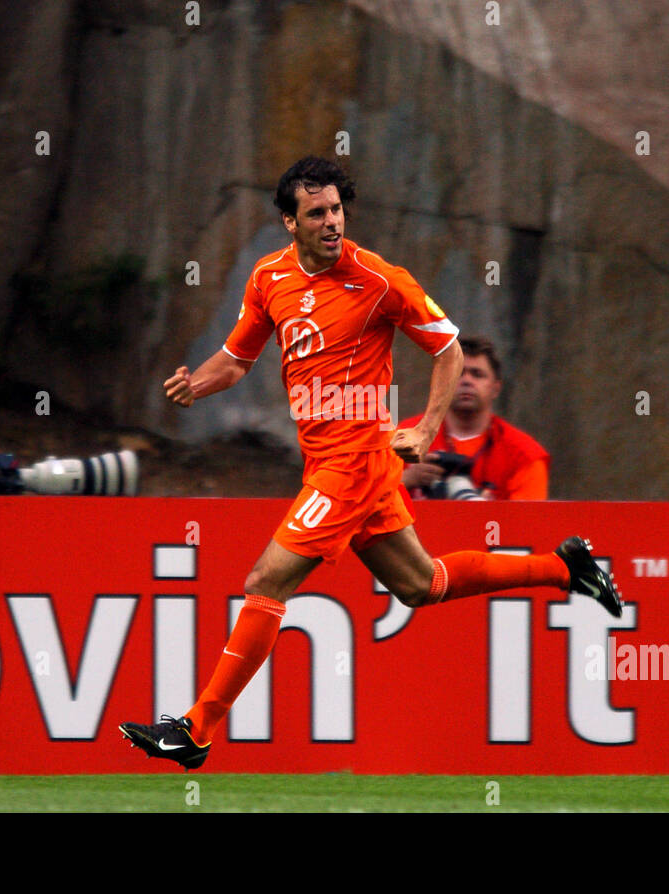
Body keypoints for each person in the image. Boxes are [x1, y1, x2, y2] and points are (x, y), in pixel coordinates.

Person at [119, 157, 622, 770]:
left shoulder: (378, 279)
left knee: (264, 583)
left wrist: (426, 430)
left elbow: (448, 349)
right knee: (421, 585)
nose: (332, 221)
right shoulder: (268, 277)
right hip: (326, 462)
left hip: (355, 462)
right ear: (290, 222)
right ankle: (564, 569)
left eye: (336, 209)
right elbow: (237, 358)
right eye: (316, 213)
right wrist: (195, 386)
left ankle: (197, 728)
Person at [399, 335, 550, 500]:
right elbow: (370, 500)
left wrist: (488, 510)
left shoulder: (524, 454)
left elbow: (529, 522)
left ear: (495, 388)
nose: (466, 381)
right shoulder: (404, 438)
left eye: (477, 374)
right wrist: (406, 480)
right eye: (458, 373)